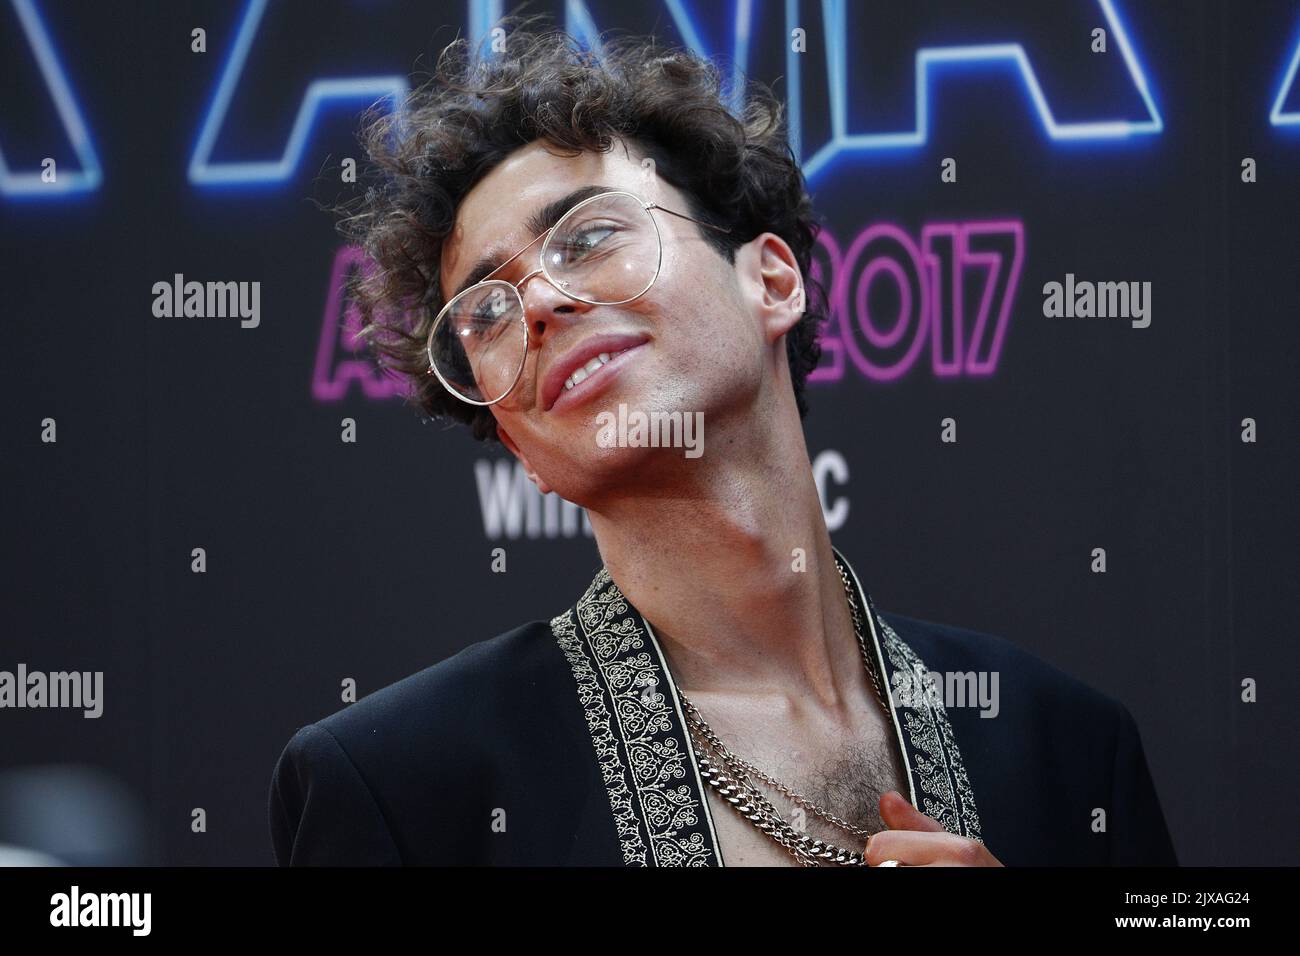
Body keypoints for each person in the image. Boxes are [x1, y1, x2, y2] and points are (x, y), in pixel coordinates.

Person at [268, 22, 1178, 867]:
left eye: (586, 237)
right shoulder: (406, 788)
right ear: (518, 442)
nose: (540, 304)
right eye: (488, 311)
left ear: (771, 281)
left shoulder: (1068, 749)